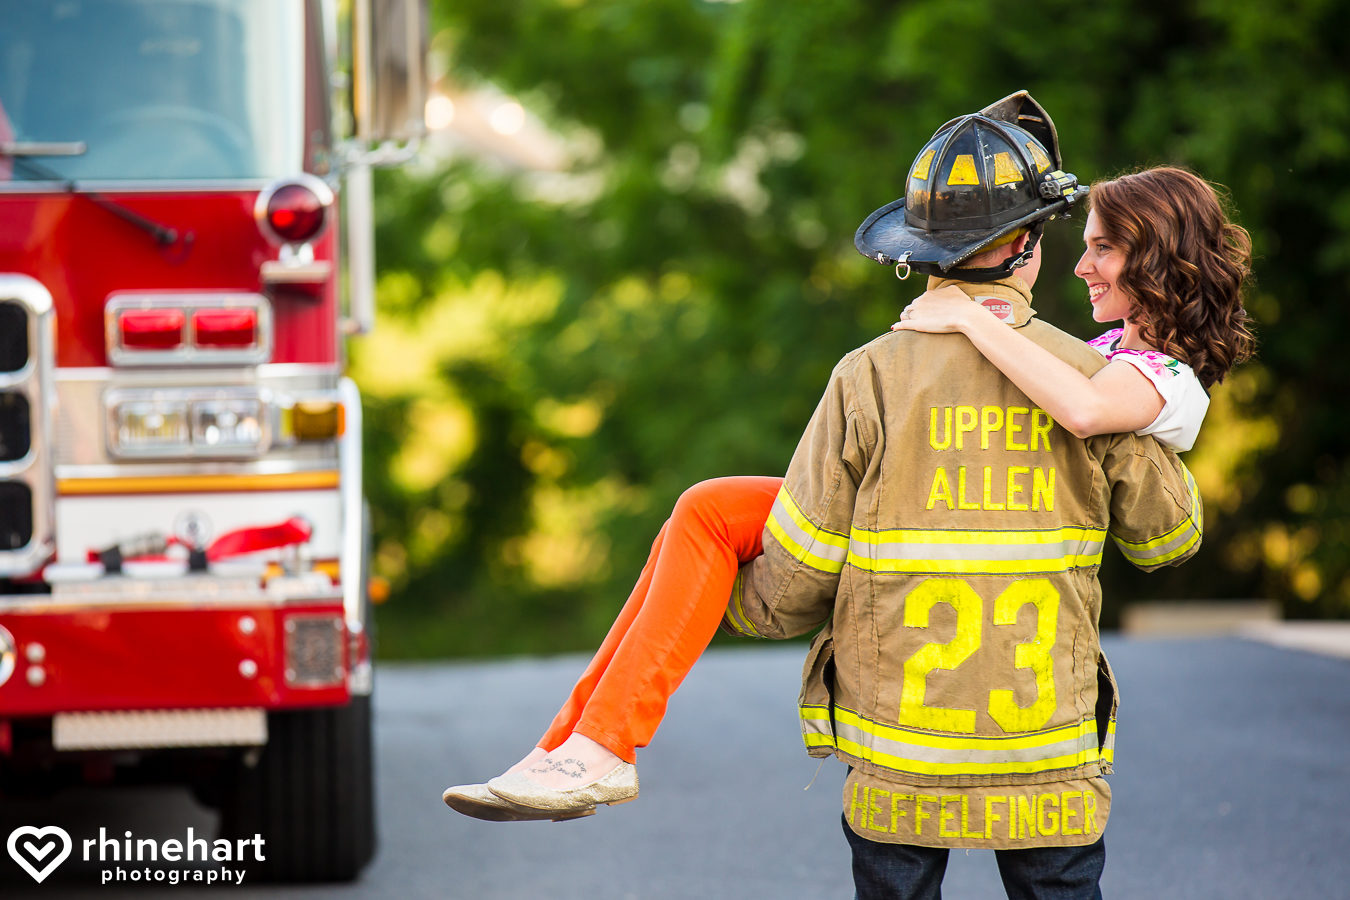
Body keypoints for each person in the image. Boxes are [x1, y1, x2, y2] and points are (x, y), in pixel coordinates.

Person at [720, 96, 1241, 899]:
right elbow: (1165, 540)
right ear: (1028, 247)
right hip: (1045, 762)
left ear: (923, 252)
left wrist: (747, 604)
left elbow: (799, 576)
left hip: (898, 762)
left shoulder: (868, 375)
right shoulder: (1098, 375)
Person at [892, 165, 1254, 455]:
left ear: (1157, 259)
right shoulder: (1111, 346)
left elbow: (1084, 410)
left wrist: (969, 316)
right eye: (1088, 246)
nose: (1082, 267)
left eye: (1104, 247)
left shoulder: (1173, 382)